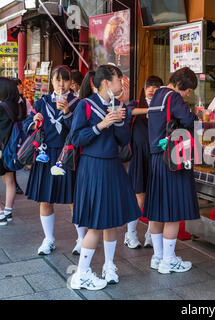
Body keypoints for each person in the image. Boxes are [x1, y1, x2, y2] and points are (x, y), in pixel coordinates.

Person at [69, 65, 141, 290]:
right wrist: (102, 125)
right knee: (96, 224)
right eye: (120, 79)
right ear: (107, 83)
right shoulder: (85, 105)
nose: (122, 83)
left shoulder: (118, 106)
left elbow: (121, 140)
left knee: (112, 221)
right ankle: (81, 274)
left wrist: (119, 121)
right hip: (93, 166)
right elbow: (76, 138)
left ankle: (109, 265)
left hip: (113, 165)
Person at [143, 67, 199, 274]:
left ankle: (158, 257)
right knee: (173, 212)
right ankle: (168, 260)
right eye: (188, 90)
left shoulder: (157, 94)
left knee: (157, 211)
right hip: (171, 160)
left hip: (157, 158)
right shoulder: (173, 97)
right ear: (181, 85)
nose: (187, 94)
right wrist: (196, 116)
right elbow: (187, 120)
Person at [22, 65, 80, 255]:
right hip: (45, 156)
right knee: (45, 200)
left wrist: (67, 113)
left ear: (71, 82)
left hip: (68, 154)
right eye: (57, 80)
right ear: (51, 82)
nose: (61, 84)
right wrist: (34, 121)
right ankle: (48, 238)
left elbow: (78, 130)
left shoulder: (78, 103)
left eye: (65, 80)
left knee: (73, 198)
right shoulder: (42, 102)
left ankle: (81, 239)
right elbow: (26, 125)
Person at [124, 75, 163, 249]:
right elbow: (129, 112)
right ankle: (130, 233)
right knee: (138, 197)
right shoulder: (136, 104)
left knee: (154, 196)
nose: (151, 88)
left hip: (156, 156)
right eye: (149, 85)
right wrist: (150, 110)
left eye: (155, 86)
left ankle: (150, 233)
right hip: (139, 156)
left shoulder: (164, 107)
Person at [0, 77, 27, 225]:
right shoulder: (20, 105)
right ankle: (8, 211)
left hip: (1, 149)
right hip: (12, 150)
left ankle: (0, 213)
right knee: (10, 181)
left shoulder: (1, 107)